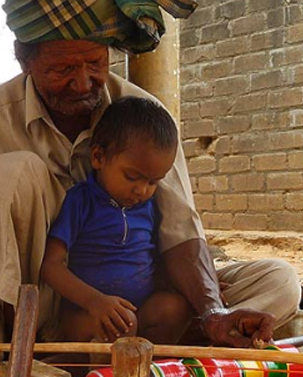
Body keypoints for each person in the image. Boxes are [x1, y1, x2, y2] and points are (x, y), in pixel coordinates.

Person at [0, 0, 301, 376]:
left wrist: (213, 310)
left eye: (95, 63)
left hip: (137, 304)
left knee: (280, 280)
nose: (82, 83)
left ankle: (172, 341)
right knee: (13, 172)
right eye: (62, 69)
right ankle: (36, 354)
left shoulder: (145, 117)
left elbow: (181, 232)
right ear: (24, 60)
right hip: (49, 308)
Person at [41, 96, 200, 347]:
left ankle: (144, 362)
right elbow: (50, 265)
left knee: (174, 307)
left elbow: (154, 256)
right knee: (122, 323)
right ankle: (102, 368)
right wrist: (94, 301)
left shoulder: (148, 206)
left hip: (137, 311)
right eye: (132, 177)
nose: (142, 191)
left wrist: (191, 285)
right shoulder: (81, 201)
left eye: (153, 182)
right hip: (86, 314)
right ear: (98, 157)